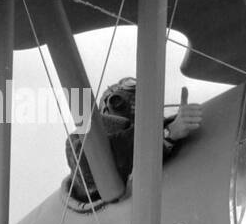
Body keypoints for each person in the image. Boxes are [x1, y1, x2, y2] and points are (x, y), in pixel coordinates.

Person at [65, 78, 203, 204]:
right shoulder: (81, 146)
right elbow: (86, 165)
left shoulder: (163, 134)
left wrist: (174, 126)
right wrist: (167, 133)